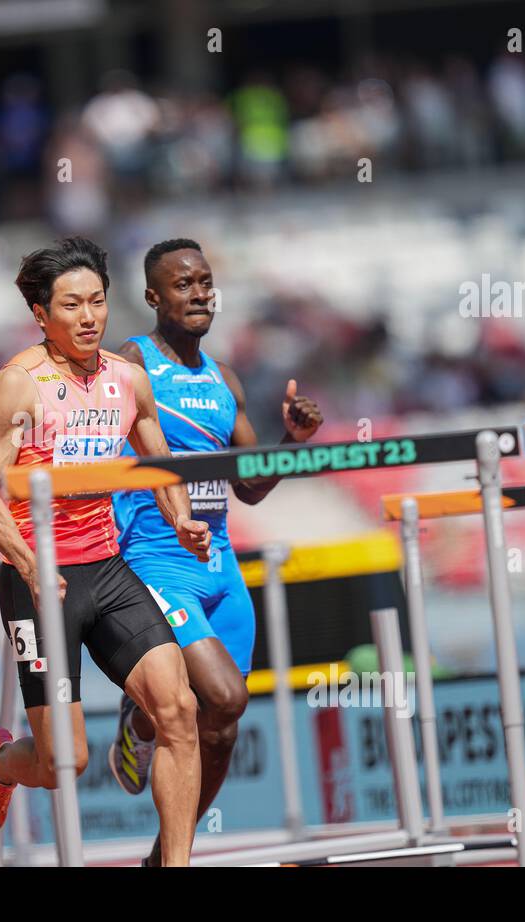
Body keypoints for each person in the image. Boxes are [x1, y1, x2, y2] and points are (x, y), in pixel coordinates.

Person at [0, 236, 213, 866]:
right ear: (40, 314)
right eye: (72, 305)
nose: (88, 317)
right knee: (64, 761)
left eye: (98, 302)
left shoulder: (128, 380)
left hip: (107, 568)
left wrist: (181, 519)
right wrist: (28, 563)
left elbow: (157, 462)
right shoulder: (16, 387)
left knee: (179, 711)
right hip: (38, 578)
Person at [107, 238, 323, 866]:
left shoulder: (223, 379)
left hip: (219, 566)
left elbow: (250, 487)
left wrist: (293, 439)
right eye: (182, 284)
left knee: (224, 728)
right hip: (154, 560)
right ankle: (139, 723)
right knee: (223, 695)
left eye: (204, 281)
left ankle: (163, 855)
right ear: (153, 297)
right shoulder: (133, 362)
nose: (198, 292)